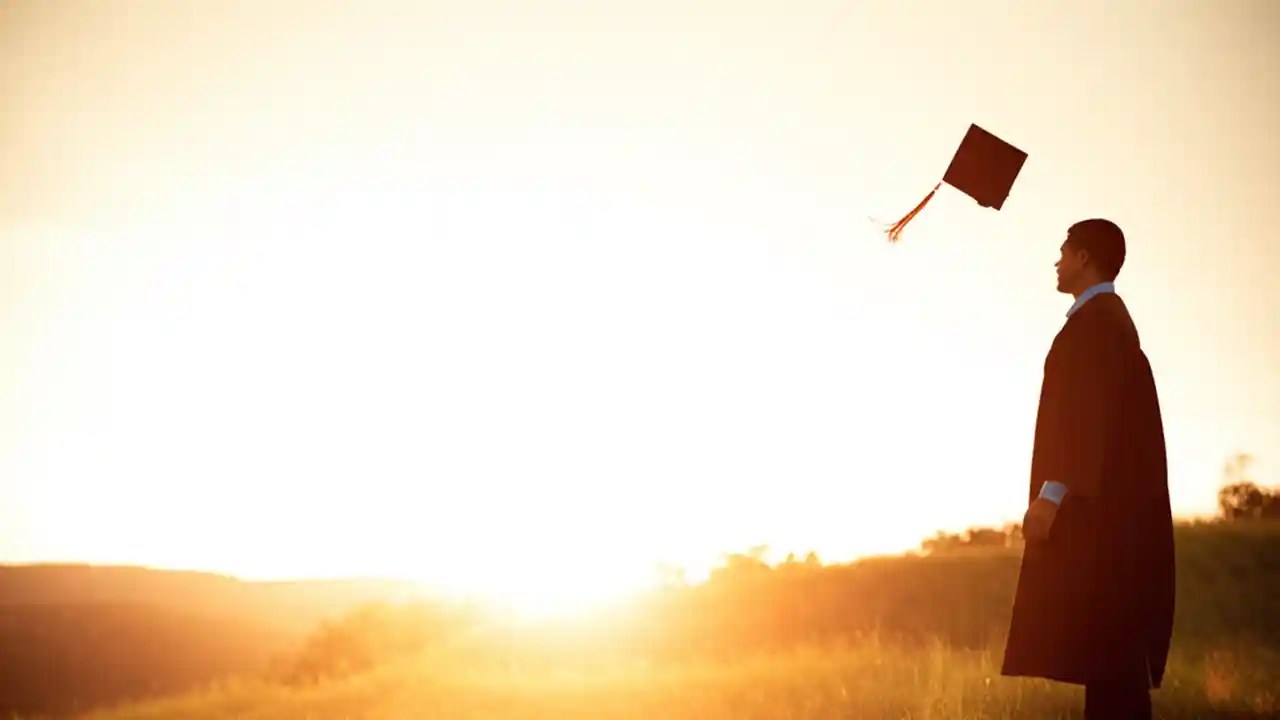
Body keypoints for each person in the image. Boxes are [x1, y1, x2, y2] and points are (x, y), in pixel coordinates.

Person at [1001, 219, 1176, 719]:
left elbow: (1083, 420)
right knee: (1110, 663)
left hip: (1098, 520)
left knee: (1110, 664)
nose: (1056, 262)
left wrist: (1049, 498)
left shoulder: (1096, 326)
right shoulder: (1109, 323)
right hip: (1115, 520)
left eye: (1063, 252)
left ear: (1084, 258)